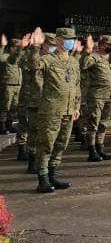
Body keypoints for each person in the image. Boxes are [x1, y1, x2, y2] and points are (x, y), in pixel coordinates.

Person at [28, 28, 81, 193]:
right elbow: (34, 65)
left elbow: (76, 85)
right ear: (58, 40)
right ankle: (42, 179)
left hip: (68, 111)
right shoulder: (48, 59)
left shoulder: (73, 61)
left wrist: (76, 106)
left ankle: (52, 176)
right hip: (51, 110)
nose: (70, 42)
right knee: (46, 144)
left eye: (72, 39)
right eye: (67, 39)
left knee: (61, 144)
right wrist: (35, 46)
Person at [80, 34, 111, 162]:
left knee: (103, 124)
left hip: (109, 96)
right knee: (93, 124)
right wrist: (87, 51)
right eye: (109, 45)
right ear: (101, 45)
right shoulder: (94, 57)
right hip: (97, 96)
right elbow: (83, 65)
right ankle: (92, 150)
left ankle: (100, 148)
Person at [20, 32, 47, 174]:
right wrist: (33, 47)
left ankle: (39, 161)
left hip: (47, 102)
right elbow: (32, 63)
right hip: (35, 101)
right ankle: (32, 162)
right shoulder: (31, 58)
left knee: (43, 135)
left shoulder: (49, 60)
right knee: (34, 133)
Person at [0, 35, 22, 135]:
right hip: (7, 85)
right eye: (17, 47)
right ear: (12, 48)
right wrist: (2, 47)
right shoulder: (5, 57)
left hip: (17, 86)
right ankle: (2, 126)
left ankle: (9, 124)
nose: (19, 49)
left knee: (14, 107)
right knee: (5, 107)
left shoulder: (19, 58)